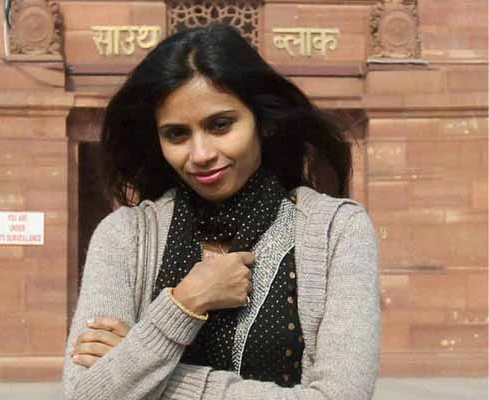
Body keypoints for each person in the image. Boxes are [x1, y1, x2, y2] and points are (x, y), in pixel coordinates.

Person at [63, 23, 381, 400]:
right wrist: (185, 304)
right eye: (177, 134)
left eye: (220, 125)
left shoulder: (336, 231)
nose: (200, 154)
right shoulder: (124, 236)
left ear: (263, 122)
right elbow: (86, 394)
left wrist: (152, 372)